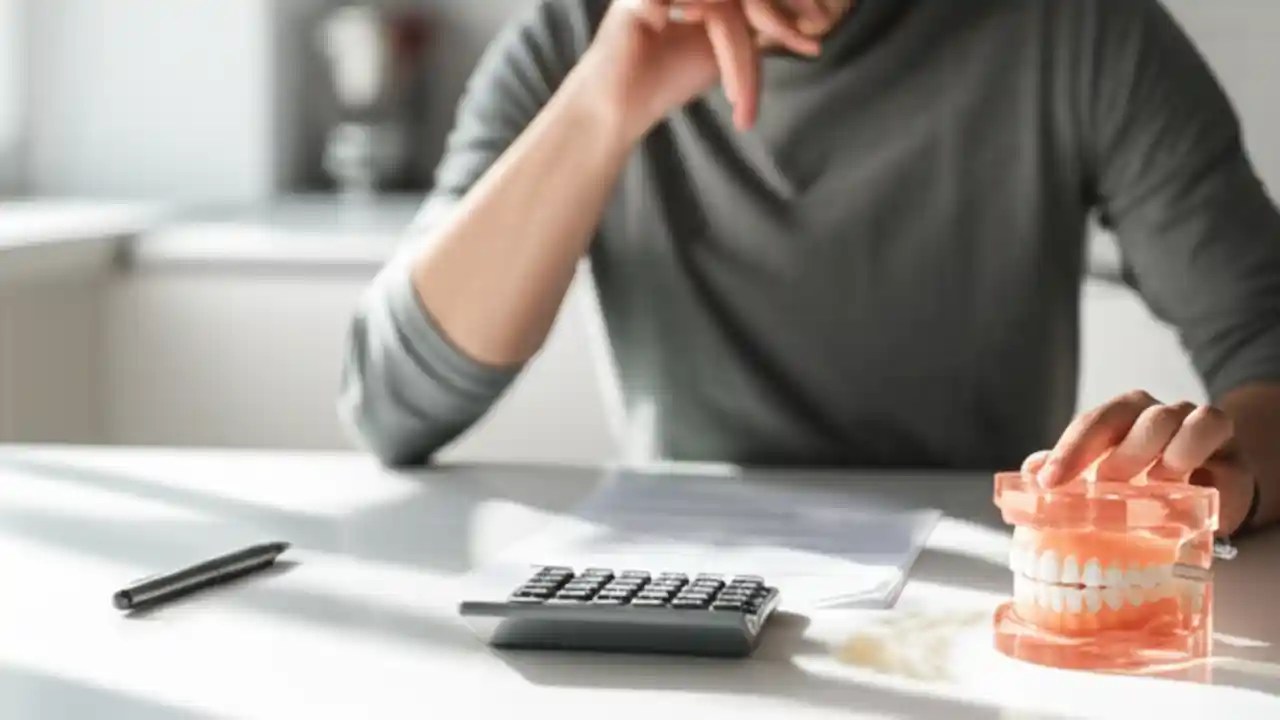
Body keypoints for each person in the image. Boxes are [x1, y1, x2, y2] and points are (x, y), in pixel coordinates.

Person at [339, 0, 1280, 537]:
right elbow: (389, 405)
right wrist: (600, 108)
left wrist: (1221, 477)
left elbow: (1266, 344)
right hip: (676, 606)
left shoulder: (1079, 30)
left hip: (978, 608)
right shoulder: (580, 33)